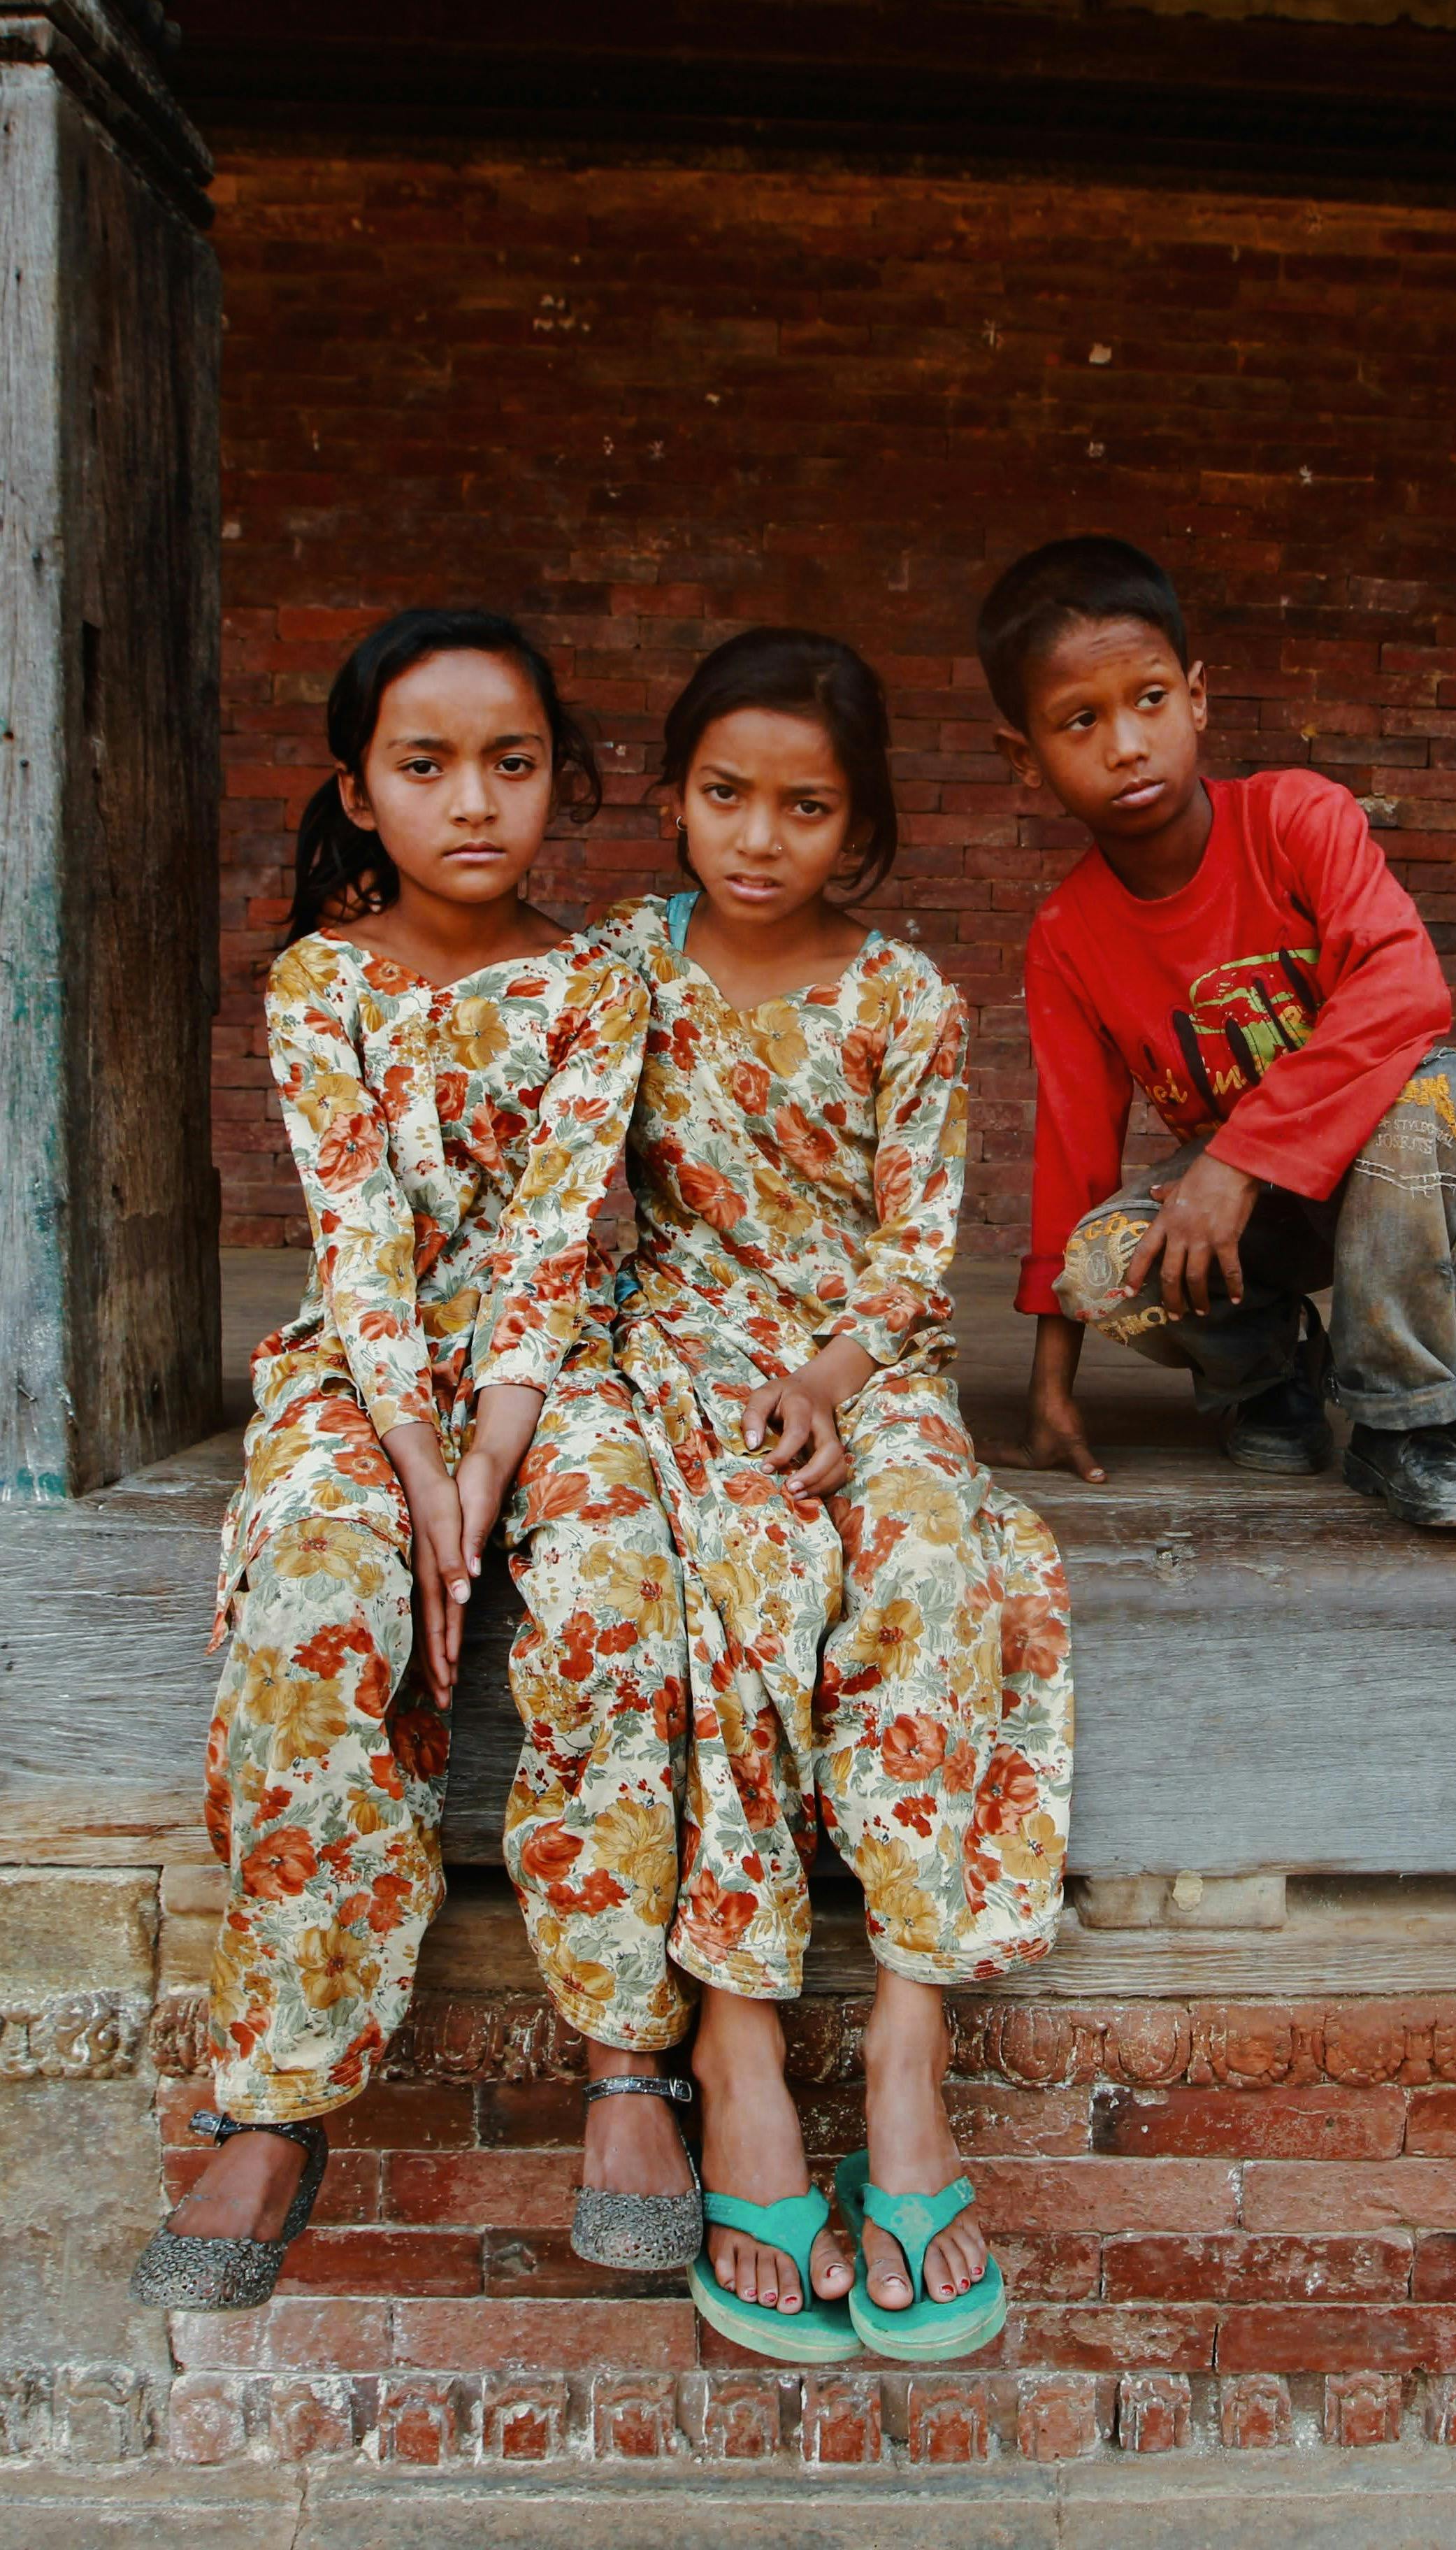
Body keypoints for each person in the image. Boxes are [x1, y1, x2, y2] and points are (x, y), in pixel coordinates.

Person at [131, 610, 702, 2314]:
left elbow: (550, 1231)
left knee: (607, 1580)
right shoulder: (323, 980)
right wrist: (416, 1467)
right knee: (317, 1590)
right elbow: (362, 1238)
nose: (476, 803)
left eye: (513, 765)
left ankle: (621, 2060)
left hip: (560, 1359)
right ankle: (281, 2098)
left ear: (563, 782)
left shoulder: (605, 977)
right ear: (358, 793)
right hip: (360, 1367)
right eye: (427, 766)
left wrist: (496, 1460)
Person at [588, 626, 1072, 2368]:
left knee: (948, 1565)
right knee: (742, 1576)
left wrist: (837, 1389)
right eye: (726, 795)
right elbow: (572, 1196)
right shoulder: (615, 977)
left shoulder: (909, 1003)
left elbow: (909, 1257)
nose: (759, 837)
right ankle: (736, 2044)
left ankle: (904, 2054)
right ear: (670, 800)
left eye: (806, 807)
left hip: (863, 1373)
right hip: (679, 1362)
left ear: (858, 830)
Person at [981, 536, 1456, 1531]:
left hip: (1388, 1152)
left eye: (1149, 699)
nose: (1127, 744)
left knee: (1432, 1096)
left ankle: (1411, 1423)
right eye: (1079, 721)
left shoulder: (1295, 818)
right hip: (1254, 1216)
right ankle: (1270, 1372)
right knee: (1099, 1261)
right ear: (1026, 756)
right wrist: (1051, 1388)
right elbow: (1073, 1158)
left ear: (1197, 698)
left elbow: (1405, 991)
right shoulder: (1067, 936)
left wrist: (1236, 1158)